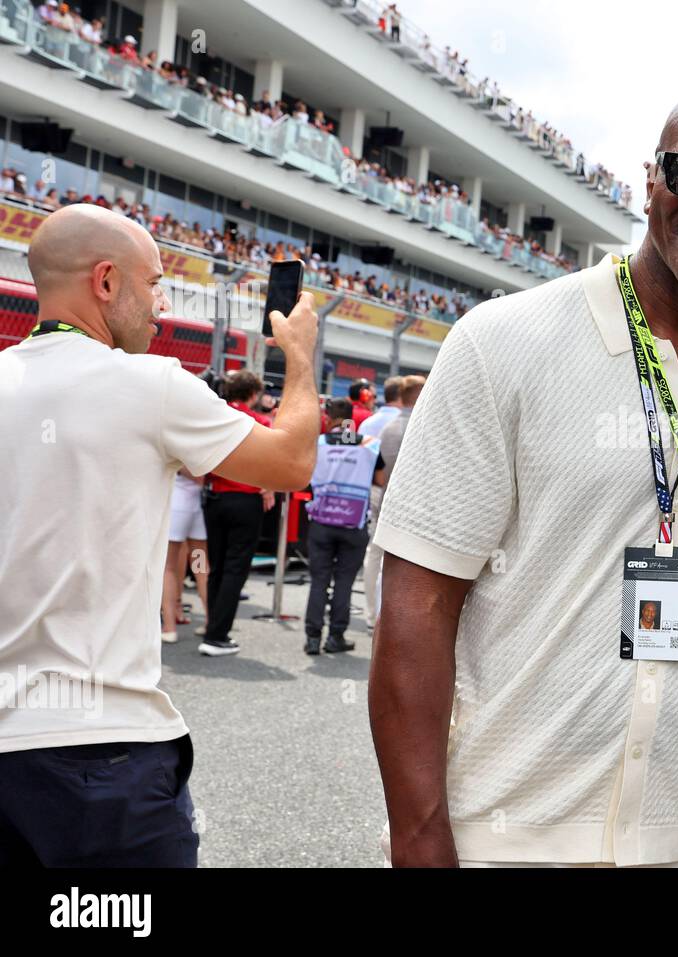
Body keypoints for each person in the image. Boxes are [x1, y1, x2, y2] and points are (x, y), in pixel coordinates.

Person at [371, 81, 678, 867]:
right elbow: (415, 609)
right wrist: (420, 841)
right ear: (650, 181)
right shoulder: (502, 343)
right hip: (505, 842)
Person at [0, 203, 320, 866]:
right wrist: (299, 357)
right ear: (107, 281)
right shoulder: (148, 384)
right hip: (107, 749)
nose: (160, 306)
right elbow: (291, 460)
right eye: (153, 285)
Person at [199, 369, 278, 657]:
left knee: (217, 566)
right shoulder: (257, 421)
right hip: (245, 500)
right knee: (235, 568)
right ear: (254, 394)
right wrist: (266, 487)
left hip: (214, 497)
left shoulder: (214, 414)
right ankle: (217, 634)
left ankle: (212, 627)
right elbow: (270, 460)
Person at [304, 398, 386, 655]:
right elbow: (380, 479)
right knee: (344, 581)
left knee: (319, 580)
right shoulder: (369, 444)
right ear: (352, 417)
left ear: (328, 417)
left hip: (321, 520)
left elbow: (304, 475)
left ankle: (313, 638)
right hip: (353, 522)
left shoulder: (316, 444)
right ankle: (335, 636)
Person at [359, 375, 406, 628]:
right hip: (401, 494)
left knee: (374, 553)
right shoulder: (408, 421)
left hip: (372, 491)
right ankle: (387, 615)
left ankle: (370, 613)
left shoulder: (368, 422)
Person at [161, 469, 209, 644]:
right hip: (197, 504)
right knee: (201, 568)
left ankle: (169, 627)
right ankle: (211, 622)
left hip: (178, 504)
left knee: (168, 568)